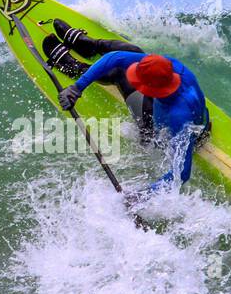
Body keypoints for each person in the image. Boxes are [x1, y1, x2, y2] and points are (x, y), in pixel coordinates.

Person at [43, 20, 210, 193]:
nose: (136, 80)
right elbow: (115, 57)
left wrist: (141, 195)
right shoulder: (173, 68)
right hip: (176, 109)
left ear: (153, 89)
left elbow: (181, 174)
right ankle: (90, 46)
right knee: (135, 54)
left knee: (119, 74)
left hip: (158, 134)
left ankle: (75, 67)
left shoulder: (179, 117)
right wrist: (76, 88)